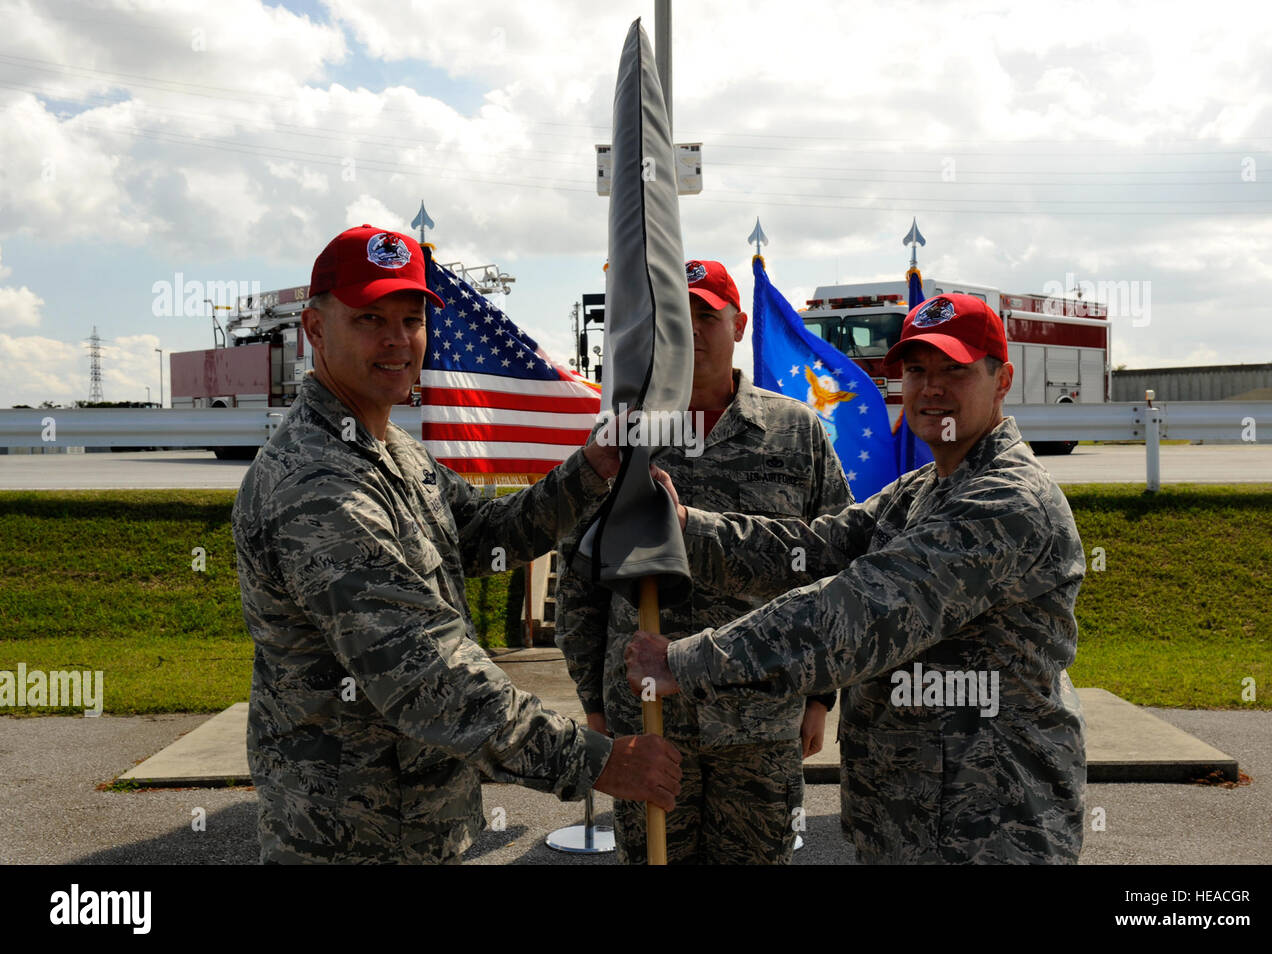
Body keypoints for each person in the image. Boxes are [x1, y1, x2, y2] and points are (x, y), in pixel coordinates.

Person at [232, 224, 681, 864]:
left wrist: (593, 469)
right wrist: (598, 762)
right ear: (314, 328)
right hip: (349, 837)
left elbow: (485, 536)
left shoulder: (390, 449)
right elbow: (425, 672)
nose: (397, 340)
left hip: (416, 822)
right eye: (369, 318)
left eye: (411, 320)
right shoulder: (317, 487)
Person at [626, 293, 1088, 864]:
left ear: (1002, 379)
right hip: (913, 819)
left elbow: (856, 614)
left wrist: (683, 661)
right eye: (917, 370)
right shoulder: (925, 489)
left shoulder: (1007, 500)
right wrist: (688, 527)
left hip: (989, 824)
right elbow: (816, 549)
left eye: (954, 369)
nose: (931, 387)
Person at [556, 259, 853, 864]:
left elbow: (838, 569)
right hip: (648, 718)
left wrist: (822, 696)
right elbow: (580, 584)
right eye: (675, 317)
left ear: (738, 325)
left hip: (763, 714)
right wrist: (592, 700)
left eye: (704, 316)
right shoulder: (626, 437)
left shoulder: (796, 433)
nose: (689, 331)